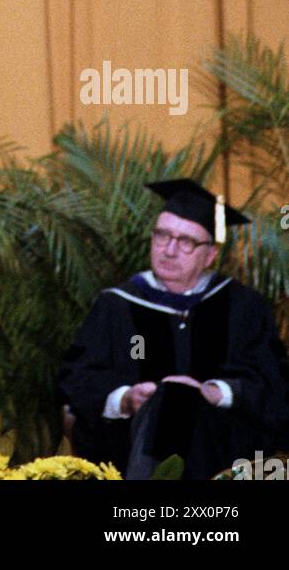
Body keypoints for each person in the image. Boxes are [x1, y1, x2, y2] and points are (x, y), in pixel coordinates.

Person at [58, 179, 289, 479]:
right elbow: (78, 380)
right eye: (162, 235)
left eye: (185, 241)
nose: (169, 250)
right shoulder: (116, 306)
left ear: (210, 255)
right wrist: (126, 398)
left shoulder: (243, 308)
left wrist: (215, 392)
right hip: (127, 446)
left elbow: (274, 386)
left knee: (179, 400)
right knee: (170, 399)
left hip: (224, 451)